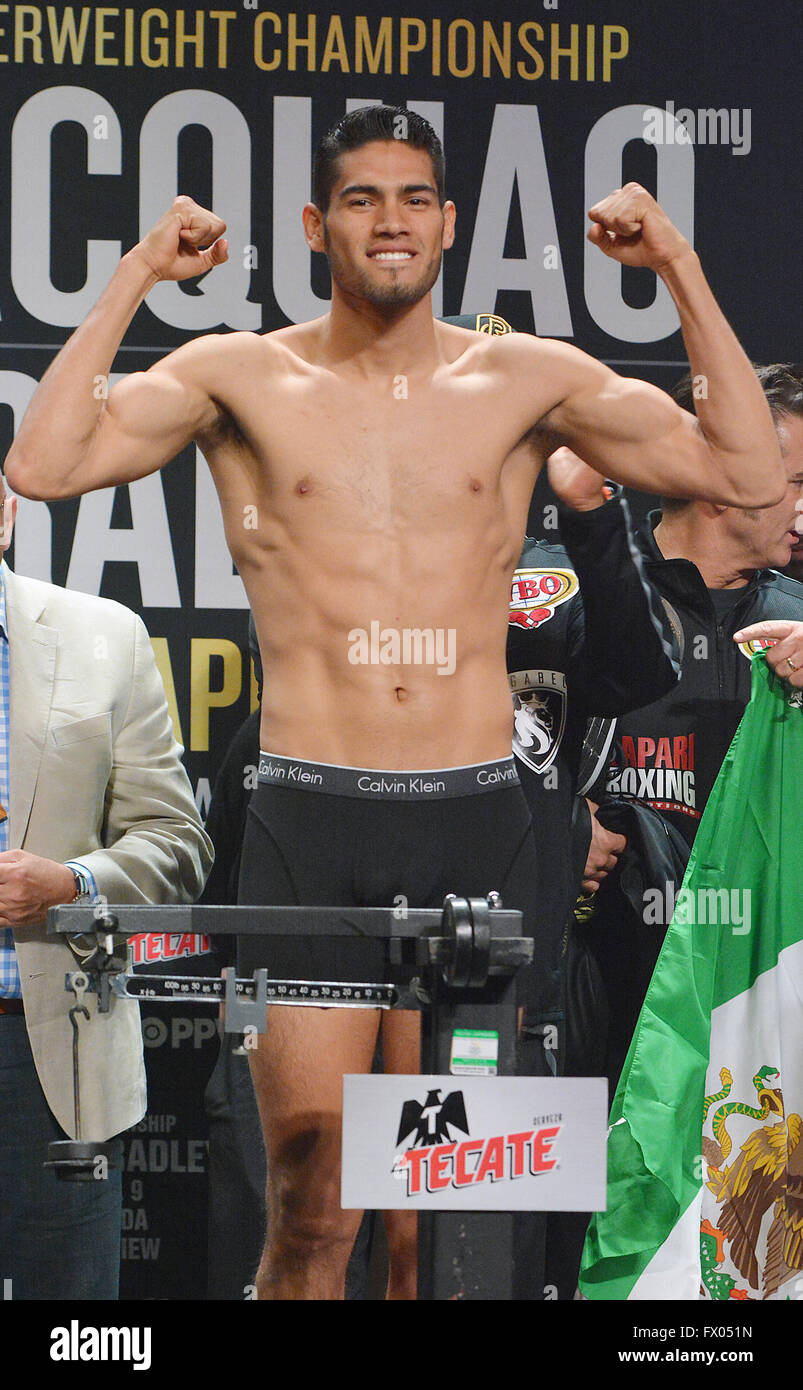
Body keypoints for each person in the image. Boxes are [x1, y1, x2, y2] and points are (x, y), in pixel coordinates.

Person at [5, 105, 786, 1301]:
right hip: (309, 828)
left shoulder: (525, 379)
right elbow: (44, 466)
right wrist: (136, 276)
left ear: (448, 221)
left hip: (473, 828)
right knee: (314, 1215)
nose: (390, 221)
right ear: (318, 223)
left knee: (448, 1229)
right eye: (362, 198)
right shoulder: (236, 375)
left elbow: (742, 471)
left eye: (413, 198)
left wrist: (677, 264)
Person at [0, 472, 212, 1300]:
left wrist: (71, 882)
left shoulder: (103, 636)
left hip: (48, 1051)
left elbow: (176, 841)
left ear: (8, 512)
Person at [585, 363, 803, 1095]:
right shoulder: (571, 591)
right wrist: (558, 823)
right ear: (720, 478)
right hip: (591, 982)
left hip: (758, 988)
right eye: (796, 482)